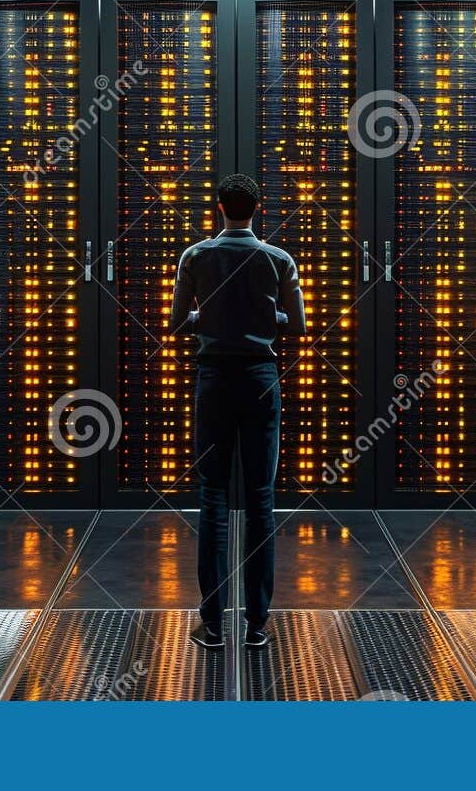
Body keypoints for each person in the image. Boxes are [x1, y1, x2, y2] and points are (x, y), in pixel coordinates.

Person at [168, 173, 306, 650]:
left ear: (219, 207)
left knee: (212, 498)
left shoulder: (196, 256)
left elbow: (176, 322)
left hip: (213, 380)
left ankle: (211, 624)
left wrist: (210, 317)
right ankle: (256, 626)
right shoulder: (278, 259)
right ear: (258, 207)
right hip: (261, 380)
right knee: (261, 499)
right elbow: (296, 324)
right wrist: (262, 318)